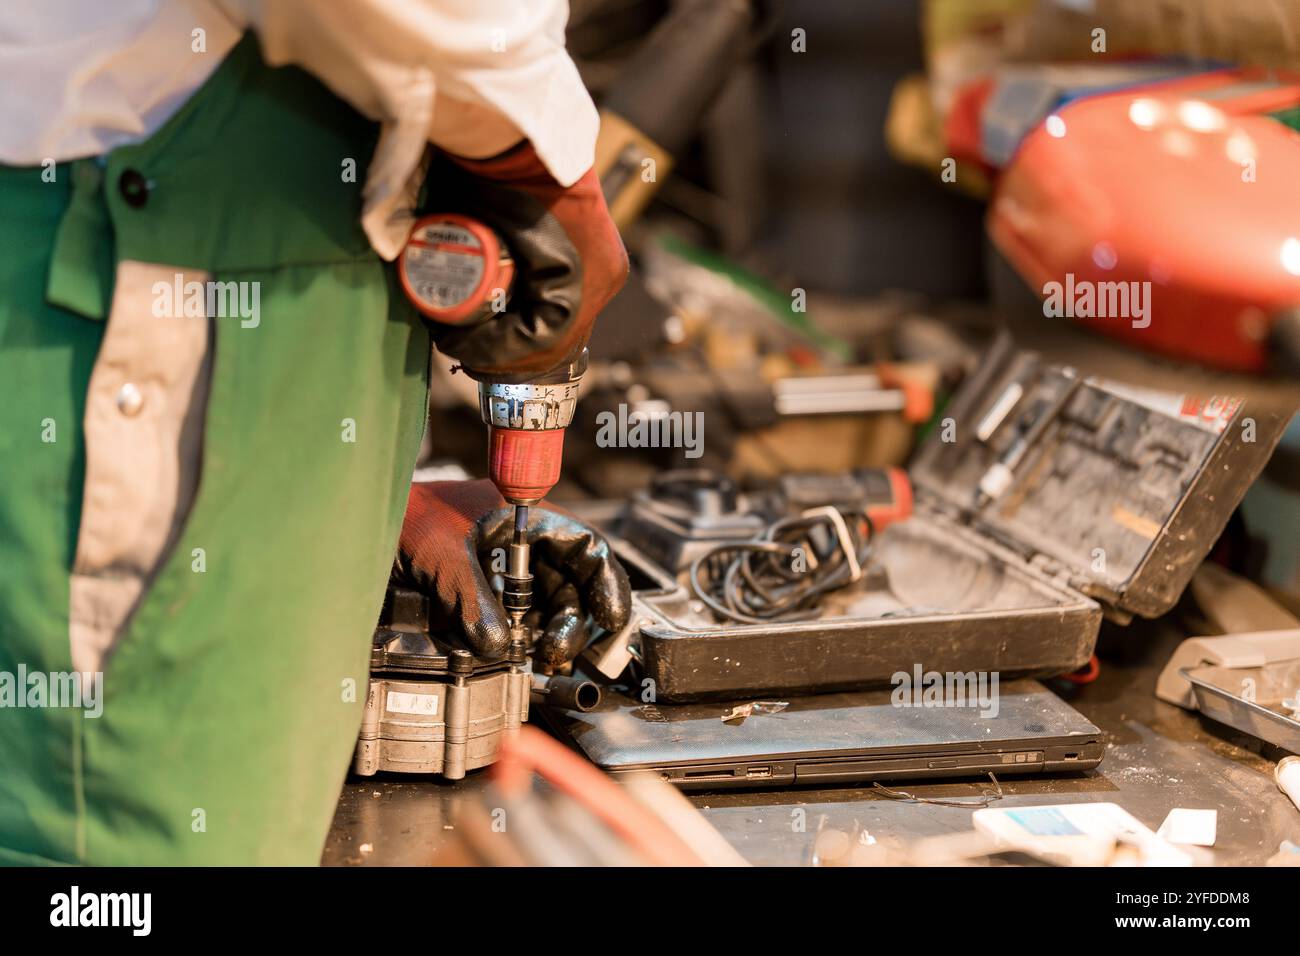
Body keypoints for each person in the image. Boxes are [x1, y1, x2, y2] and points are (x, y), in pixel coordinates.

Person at [0, 0, 630, 865]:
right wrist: (539, 158)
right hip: (149, 245)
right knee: (114, 855)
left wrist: (358, 511)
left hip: (140, 248)